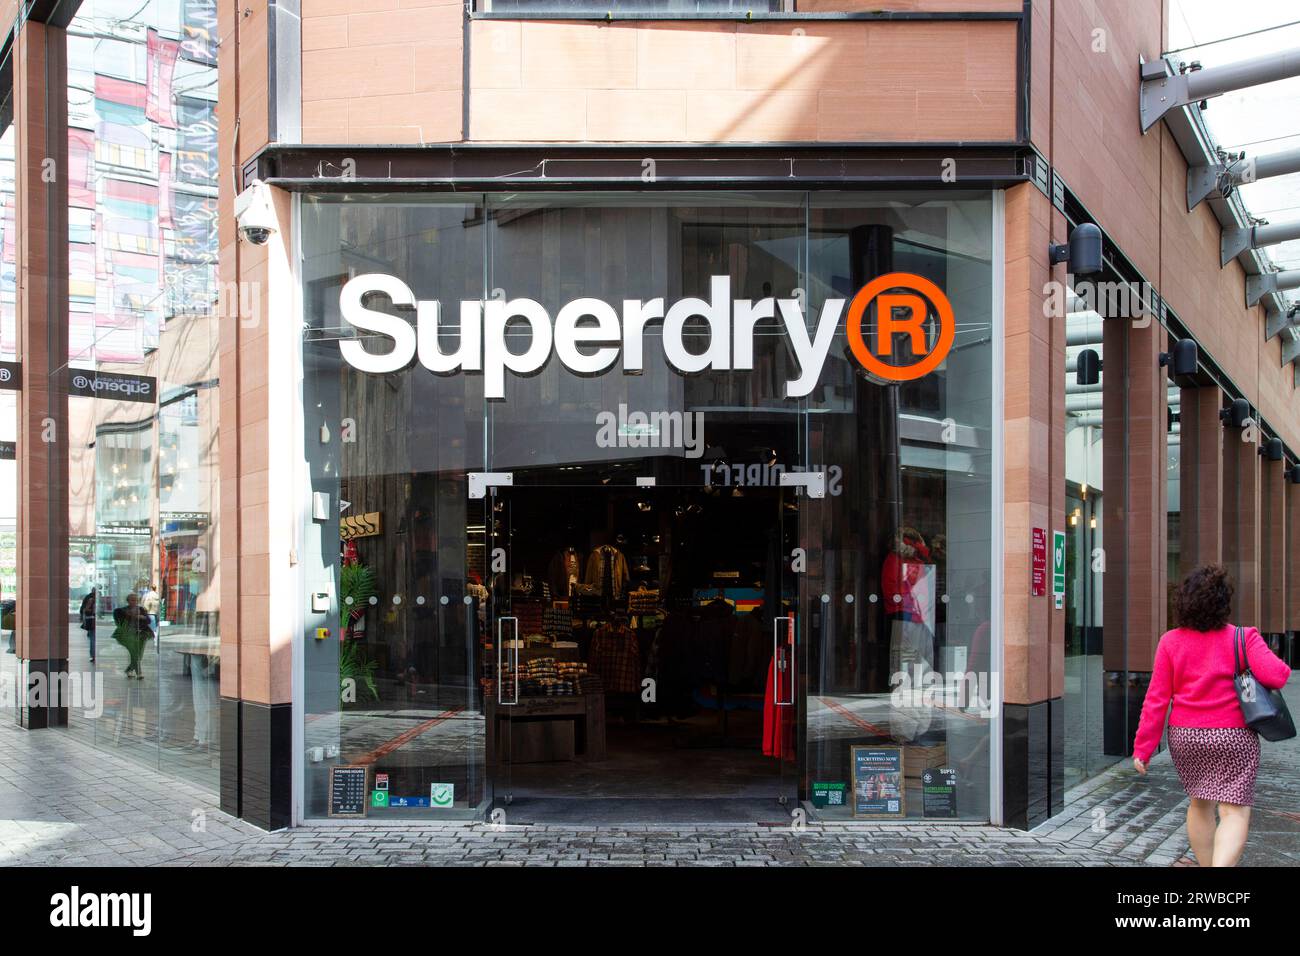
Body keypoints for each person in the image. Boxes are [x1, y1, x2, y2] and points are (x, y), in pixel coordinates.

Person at [1132, 564, 1292, 867]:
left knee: (1199, 803)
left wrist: (1143, 748)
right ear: (1224, 603)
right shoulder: (1244, 637)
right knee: (1234, 811)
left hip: (1186, 737)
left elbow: (1156, 699)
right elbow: (1278, 676)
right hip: (1234, 736)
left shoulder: (1170, 642)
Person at [113, 593, 155, 679]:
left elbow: (148, 620)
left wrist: (142, 617)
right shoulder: (122, 610)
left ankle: (129, 670)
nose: (134, 602)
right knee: (134, 653)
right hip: (128, 635)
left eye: (136, 600)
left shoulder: (141, 609)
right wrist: (132, 616)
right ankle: (139, 673)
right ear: (128, 601)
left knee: (139, 654)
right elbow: (119, 621)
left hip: (142, 634)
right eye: (132, 600)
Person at [79, 588, 97, 663]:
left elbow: (83, 609)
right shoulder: (91, 599)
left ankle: (93, 655)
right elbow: (86, 609)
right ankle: (93, 655)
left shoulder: (89, 597)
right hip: (92, 620)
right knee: (93, 638)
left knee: (92, 637)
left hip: (90, 621)